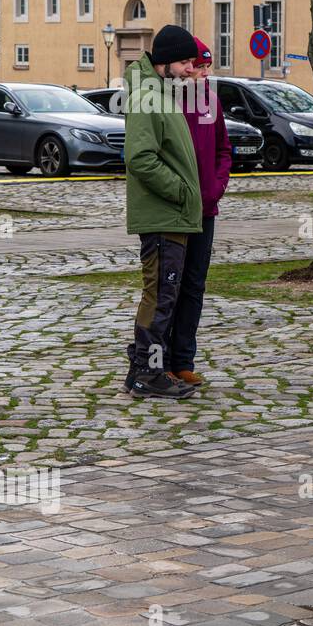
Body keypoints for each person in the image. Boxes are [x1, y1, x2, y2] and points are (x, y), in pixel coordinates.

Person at [122, 24, 203, 397]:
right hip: (163, 214)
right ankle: (146, 373)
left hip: (171, 214)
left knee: (163, 295)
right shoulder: (146, 94)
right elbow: (141, 158)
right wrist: (183, 193)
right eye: (186, 61)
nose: (191, 68)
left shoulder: (159, 90)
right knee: (160, 295)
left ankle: (145, 366)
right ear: (167, 61)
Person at [164, 37, 231, 387]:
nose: (202, 73)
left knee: (194, 285)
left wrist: (215, 188)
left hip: (206, 209)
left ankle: (184, 359)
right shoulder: (169, 102)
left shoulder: (212, 102)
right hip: (175, 210)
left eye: (207, 67)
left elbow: (223, 150)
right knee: (168, 286)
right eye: (197, 67)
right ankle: (161, 362)